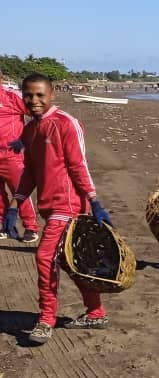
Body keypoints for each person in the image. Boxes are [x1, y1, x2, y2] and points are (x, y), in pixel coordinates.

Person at [6, 73, 114, 345]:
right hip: (48, 205)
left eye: (40, 95)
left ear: (52, 94)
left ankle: (46, 318)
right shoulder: (30, 130)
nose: (34, 100)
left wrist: (94, 200)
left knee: (44, 256)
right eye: (28, 95)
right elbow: (30, 170)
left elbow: (79, 165)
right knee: (69, 261)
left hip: (68, 205)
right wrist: (15, 203)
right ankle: (95, 312)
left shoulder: (67, 123)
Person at [0, 71, 39, 242]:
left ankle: (30, 227)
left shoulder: (11, 97)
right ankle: (4, 225)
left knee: (20, 190)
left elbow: (38, 114)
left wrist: (25, 139)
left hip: (12, 154)